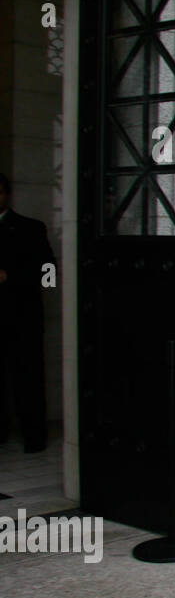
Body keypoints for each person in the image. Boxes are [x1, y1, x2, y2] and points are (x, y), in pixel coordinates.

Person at [0, 173, 55, 454]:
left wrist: (12, 277)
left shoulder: (31, 228)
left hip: (22, 318)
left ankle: (34, 437)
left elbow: (49, 273)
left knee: (28, 379)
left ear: (6, 195)